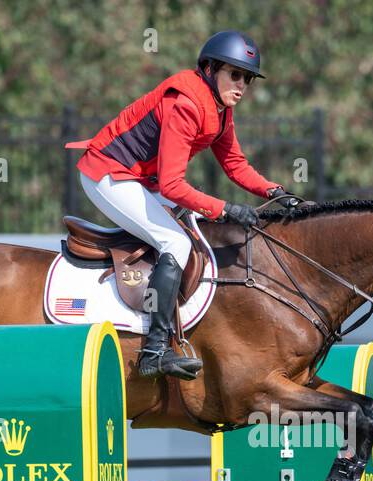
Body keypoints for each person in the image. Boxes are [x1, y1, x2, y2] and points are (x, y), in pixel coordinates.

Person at [67, 30, 302, 381]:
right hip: (107, 174)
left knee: (191, 229)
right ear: (209, 69)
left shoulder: (220, 109)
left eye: (247, 79)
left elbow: (235, 164)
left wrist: (275, 191)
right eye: (235, 75)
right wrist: (224, 209)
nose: (242, 86)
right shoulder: (187, 102)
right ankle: (154, 351)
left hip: (138, 179)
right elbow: (174, 184)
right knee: (174, 242)